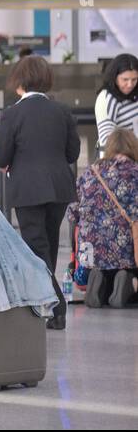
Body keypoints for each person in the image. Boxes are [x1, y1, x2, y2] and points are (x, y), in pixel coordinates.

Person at [0, 55, 80, 330]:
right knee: (48, 245)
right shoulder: (62, 111)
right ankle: (49, 306)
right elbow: (72, 152)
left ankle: (55, 305)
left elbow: (0, 155)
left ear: (19, 82)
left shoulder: (12, 113)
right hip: (60, 186)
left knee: (35, 247)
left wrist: (5, 160)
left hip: (28, 188)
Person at [70, 128, 138, 308]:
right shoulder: (135, 172)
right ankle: (128, 282)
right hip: (127, 251)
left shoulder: (90, 173)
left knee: (103, 261)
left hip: (91, 251)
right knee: (124, 260)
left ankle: (98, 279)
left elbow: (72, 212)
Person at [95, 53, 138, 155]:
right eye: (125, 79)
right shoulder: (107, 99)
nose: (130, 85)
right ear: (114, 77)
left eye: (134, 79)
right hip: (122, 160)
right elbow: (107, 141)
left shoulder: (135, 92)